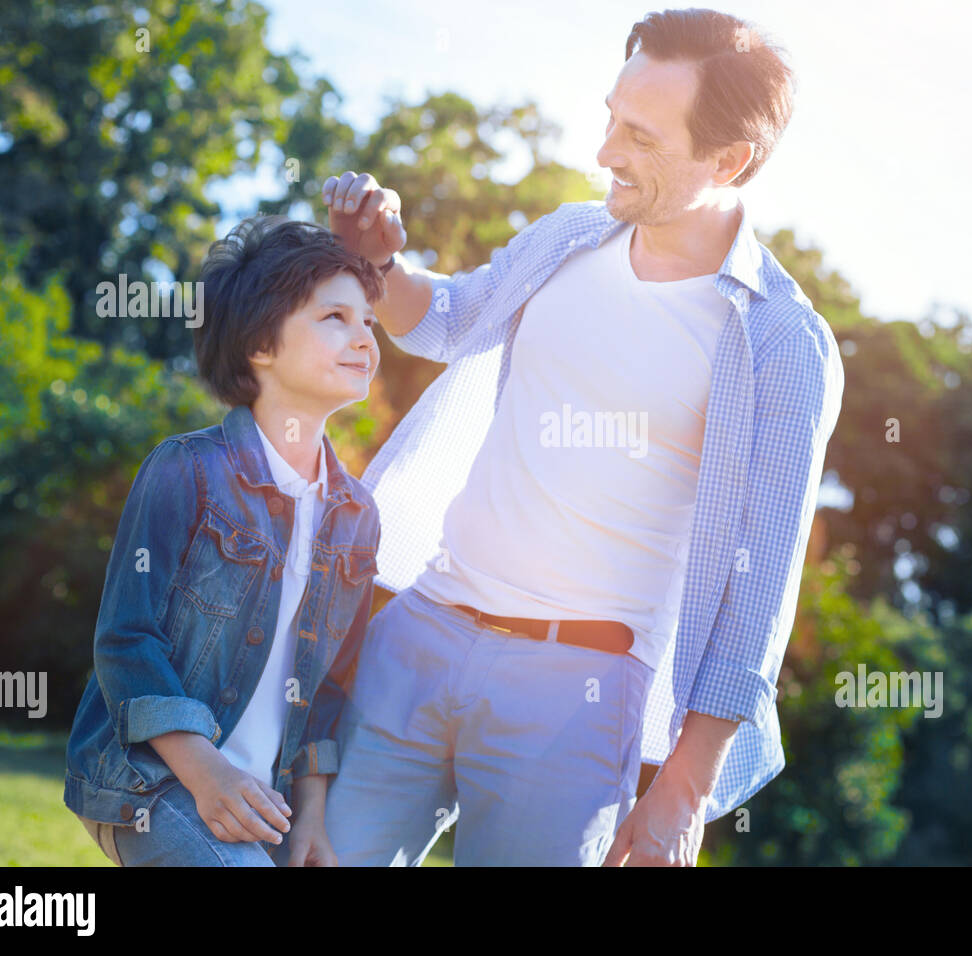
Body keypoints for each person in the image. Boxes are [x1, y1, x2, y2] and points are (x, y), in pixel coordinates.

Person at [324, 8, 845, 866]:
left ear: (729, 161)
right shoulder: (571, 234)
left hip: (577, 693)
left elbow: (763, 584)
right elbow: (450, 320)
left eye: (639, 135)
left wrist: (682, 788)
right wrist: (383, 265)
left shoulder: (781, 343)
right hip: (420, 634)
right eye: (610, 115)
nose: (605, 151)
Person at [63, 215, 383, 866]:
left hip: (262, 799)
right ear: (260, 346)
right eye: (335, 319)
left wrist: (311, 818)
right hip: (147, 783)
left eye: (368, 323)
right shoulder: (185, 471)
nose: (363, 340)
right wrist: (207, 775)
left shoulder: (357, 516)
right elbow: (126, 640)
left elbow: (325, 690)